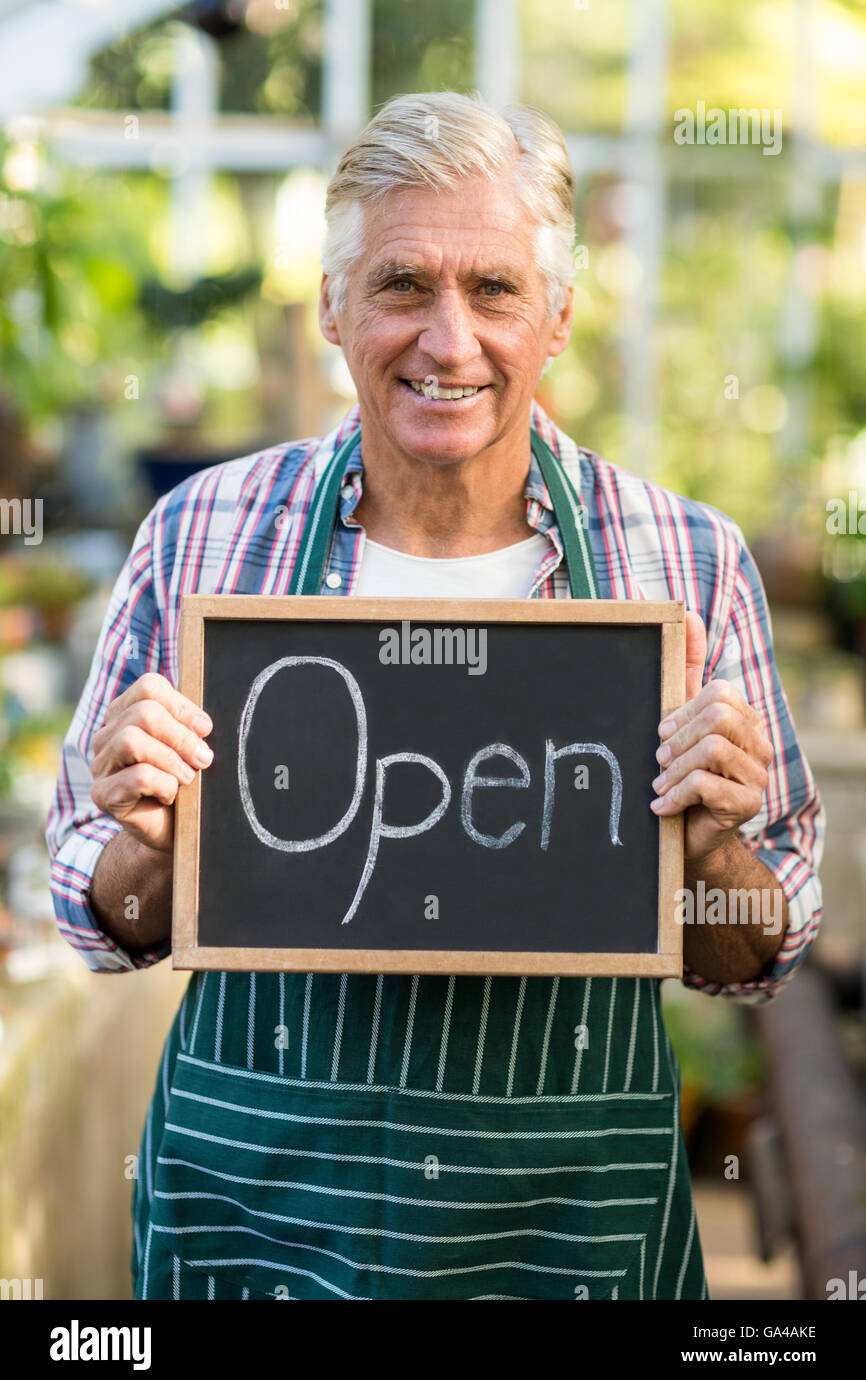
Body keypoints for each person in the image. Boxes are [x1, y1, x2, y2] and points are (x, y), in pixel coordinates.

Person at [47, 91, 824, 1301]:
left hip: (566, 1222)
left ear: (558, 314)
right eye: (402, 285)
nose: (448, 341)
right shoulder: (201, 534)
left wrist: (713, 846)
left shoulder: (685, 562)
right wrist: (144, 845)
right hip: (259, 1207)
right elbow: (108, 916)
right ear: (330, 307)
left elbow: (752, 956)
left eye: (496, 290)